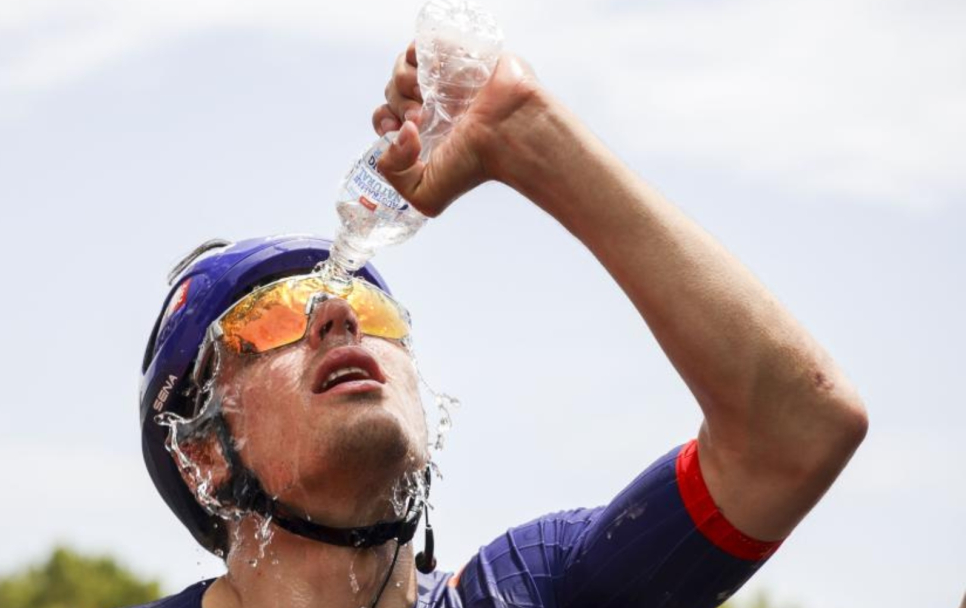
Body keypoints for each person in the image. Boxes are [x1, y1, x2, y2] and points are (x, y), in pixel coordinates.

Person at [131, 45, 869, 608]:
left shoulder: (533, 588)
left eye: (376, 311)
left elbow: (796, 430)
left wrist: (526, 132)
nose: (340, 315)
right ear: (202, 454)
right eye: (275, 319)